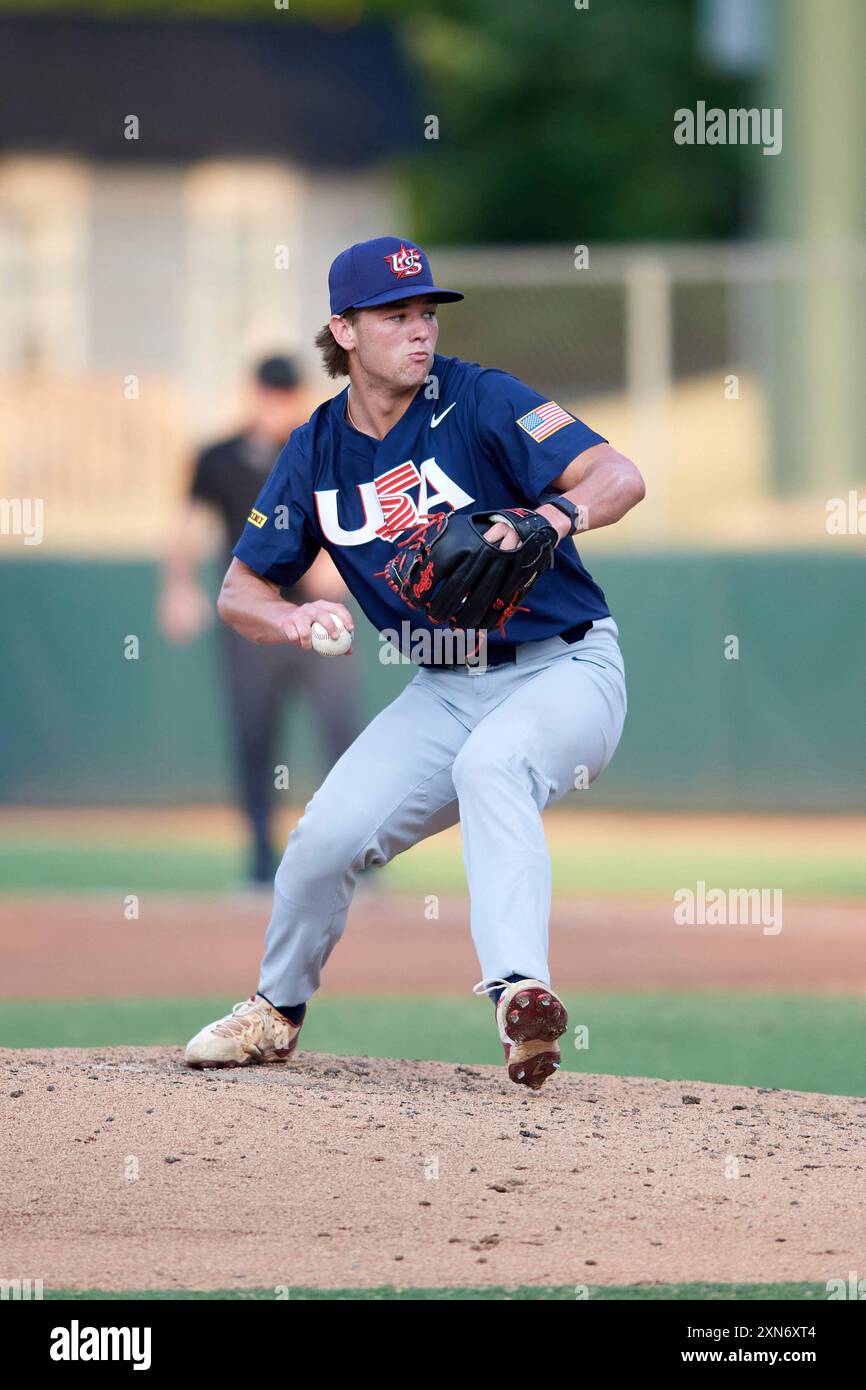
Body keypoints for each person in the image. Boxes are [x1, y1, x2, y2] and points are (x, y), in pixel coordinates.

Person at [184, 236, 645, 1090]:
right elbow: (239, 592)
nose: (420, 329)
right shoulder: (315, 450)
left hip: (566, 668)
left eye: (427, 312)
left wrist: (556, 516)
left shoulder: (481, 399)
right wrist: (294, 616)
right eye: (396, 315)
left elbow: (619, 473)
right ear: (344, 331)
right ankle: (275, 1014)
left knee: (492, 765)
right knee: (323, 840)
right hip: (445, 685)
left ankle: (521, 994)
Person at [159, 355, 360, 885]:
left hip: (318, 623)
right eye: (272, 395)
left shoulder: (321, 448)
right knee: (253, 737)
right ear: (255, 394)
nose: (281, 405)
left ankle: (357, 858)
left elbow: (350, 517)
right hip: (254, 620)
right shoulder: (219, 457)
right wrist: (177, 589)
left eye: (289, 394)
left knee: (343, 732)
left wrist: (330, 566)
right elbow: (186, 526)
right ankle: (259, 861)